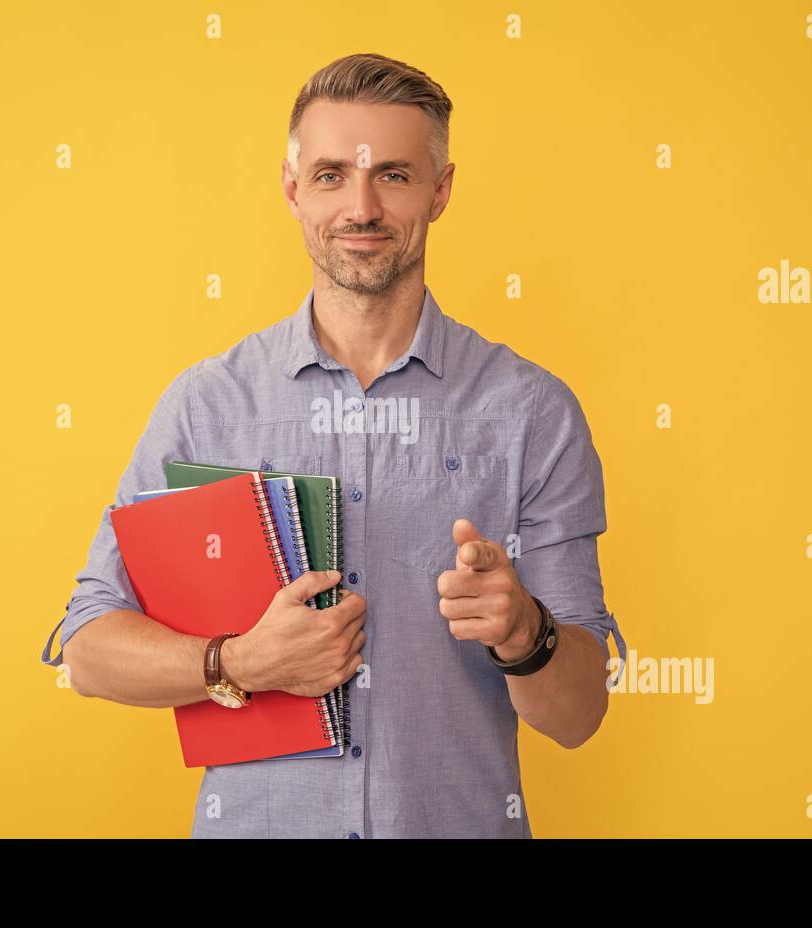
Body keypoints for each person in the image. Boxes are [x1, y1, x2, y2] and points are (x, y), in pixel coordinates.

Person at [40, 52, 626, 838]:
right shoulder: (208, 405)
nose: (361, 206)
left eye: (392, 174)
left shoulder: (530, 413)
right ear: (291, 190)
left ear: (440, 189)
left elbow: (579, 713)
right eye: (328, 176)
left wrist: (526, 633)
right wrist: (238, 663)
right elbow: (87, 648)